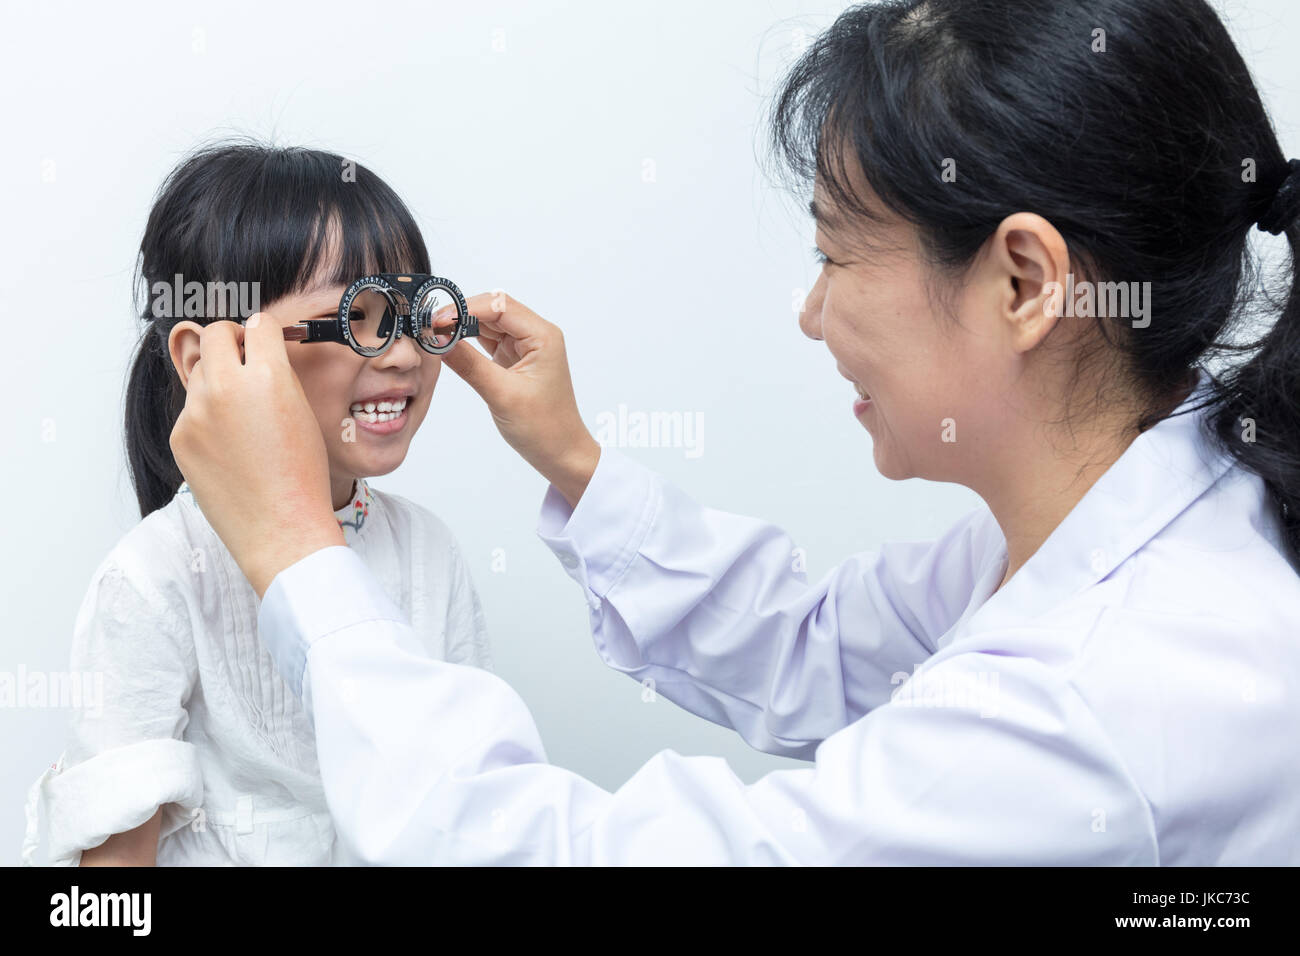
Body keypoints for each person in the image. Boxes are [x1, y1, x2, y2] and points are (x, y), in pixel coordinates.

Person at [171, 0, 1300, 864]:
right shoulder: (1113, 511)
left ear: (1022, 281)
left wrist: (296, 558)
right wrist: (575, 460)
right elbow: (816, 645)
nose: (812, 315)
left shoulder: (1108, 693)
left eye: (834, 254)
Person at [23, 143, 492, 867]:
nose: (401, 355)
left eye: (415, 312)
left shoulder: (430, 555)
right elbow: (113, 884)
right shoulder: (154, 580)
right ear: (210, 358)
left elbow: (473, 813)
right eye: (359, 316)